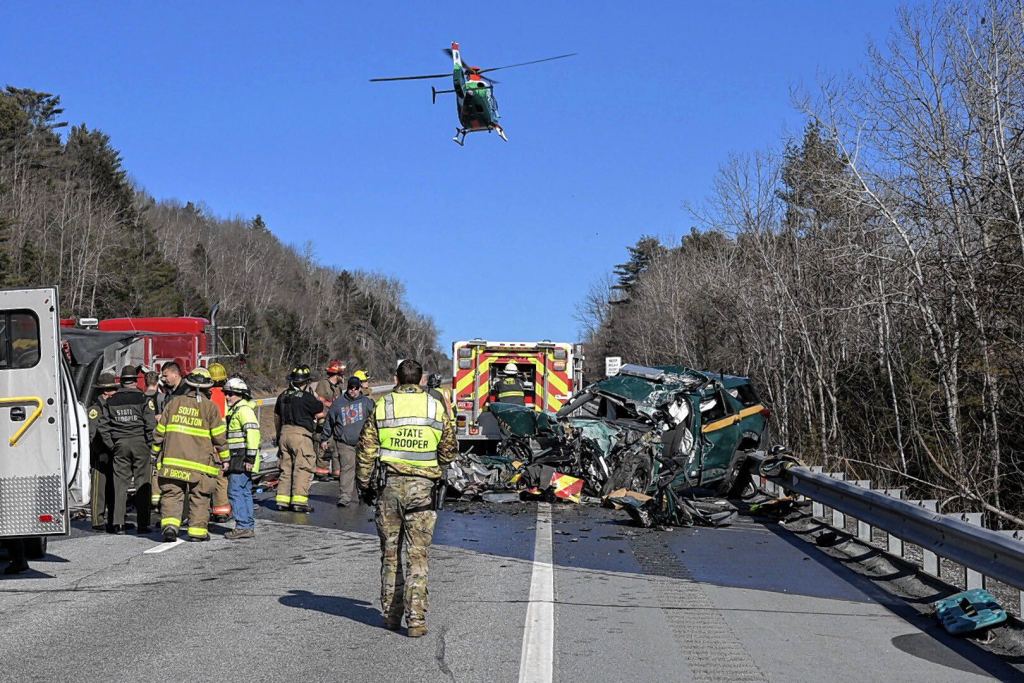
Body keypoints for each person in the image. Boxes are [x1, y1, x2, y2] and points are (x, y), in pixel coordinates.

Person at [357, 359, 458, 637]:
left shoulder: (383, 404)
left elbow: (366, 450)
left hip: (389, 488)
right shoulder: (434, 406)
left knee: (390, 555)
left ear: (396, 378)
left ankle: (391, 615)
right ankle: (416, 619)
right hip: (422, 491)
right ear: (422, 380)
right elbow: (449, 450)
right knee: (418, 556)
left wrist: (364, 485)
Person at [152, 367, 228, 542]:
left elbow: (159, 433)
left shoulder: (174, 403)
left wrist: (154, 454)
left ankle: (170, 527)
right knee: (200, 496)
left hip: (172, 462)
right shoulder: (210, 407)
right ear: (208, 388)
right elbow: (219, 437)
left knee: (171, 494)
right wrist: (225, 458)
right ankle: (197, 532)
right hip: (199, 466)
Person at [106, 365, 156, 534]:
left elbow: (103, 425)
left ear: (121, 381)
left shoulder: (111, 401)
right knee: (143, 483)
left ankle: (118, 523)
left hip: (120, 444)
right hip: (140, 443)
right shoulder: (143, 399)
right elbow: (150, 425)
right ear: (135, 380)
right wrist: (152, 445)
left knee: (120, 484)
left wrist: (112, 444)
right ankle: (143, 524)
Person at [273, 365, 324, 513]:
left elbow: (277, 417)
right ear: (307, 382)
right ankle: (299, 501)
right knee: (302, 467)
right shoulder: (307, 397)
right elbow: (319, 410)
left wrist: (279, 435)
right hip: (301, 436)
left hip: (284, 434)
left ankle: (282, 501)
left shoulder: (282, 396)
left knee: (286, 468)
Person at [323, 376, 375, 507]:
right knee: (347, 469)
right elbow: (329, 421)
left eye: (356, 388)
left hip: (364, 443)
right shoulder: (338, 403)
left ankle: (364, 494)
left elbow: (375, 419)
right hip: (345, 443)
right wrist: (324, 438)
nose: (353, 391)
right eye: (351, 388)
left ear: (359, 388)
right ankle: (345, 497)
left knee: (364, 470)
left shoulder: (366, 402)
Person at [222, 377, 261, 540]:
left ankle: (243, 526)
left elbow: (253, 434)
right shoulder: (237, 410)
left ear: (241, 395)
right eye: (226, 393)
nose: (227, 397)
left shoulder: (243, 411)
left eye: (230, 394)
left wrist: (249, 459)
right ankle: (247, 526)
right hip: (240, 457)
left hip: (241, 457)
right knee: (244, 492)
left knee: (235, 491)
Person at [89, 373, 118, 532]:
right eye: (112, 389)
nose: (115, 392)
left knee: (112, 487)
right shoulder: (95, 409)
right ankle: (97, 519)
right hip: (100, 454)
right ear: (105, 391)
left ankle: (113, 519)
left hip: (112, 452)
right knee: (99, 488)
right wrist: (100, 452)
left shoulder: (110, 406)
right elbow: (92, 434)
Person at [313, 360, 347, 480]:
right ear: (337, 374)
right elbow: (319, 402)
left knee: (334, 446)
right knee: (323, 446)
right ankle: (321, 472)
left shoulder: (337, 387)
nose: (343, 377)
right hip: (323, 420)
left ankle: (336, 472)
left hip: (334, 420)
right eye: (342, 374)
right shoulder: (323, 384)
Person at [208, 362, 232, 523]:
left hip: (205, 442)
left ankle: (202, 509)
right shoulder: (228, 396)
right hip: (223, 442)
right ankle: (221, 510)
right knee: (221, 478)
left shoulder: (205, 396)